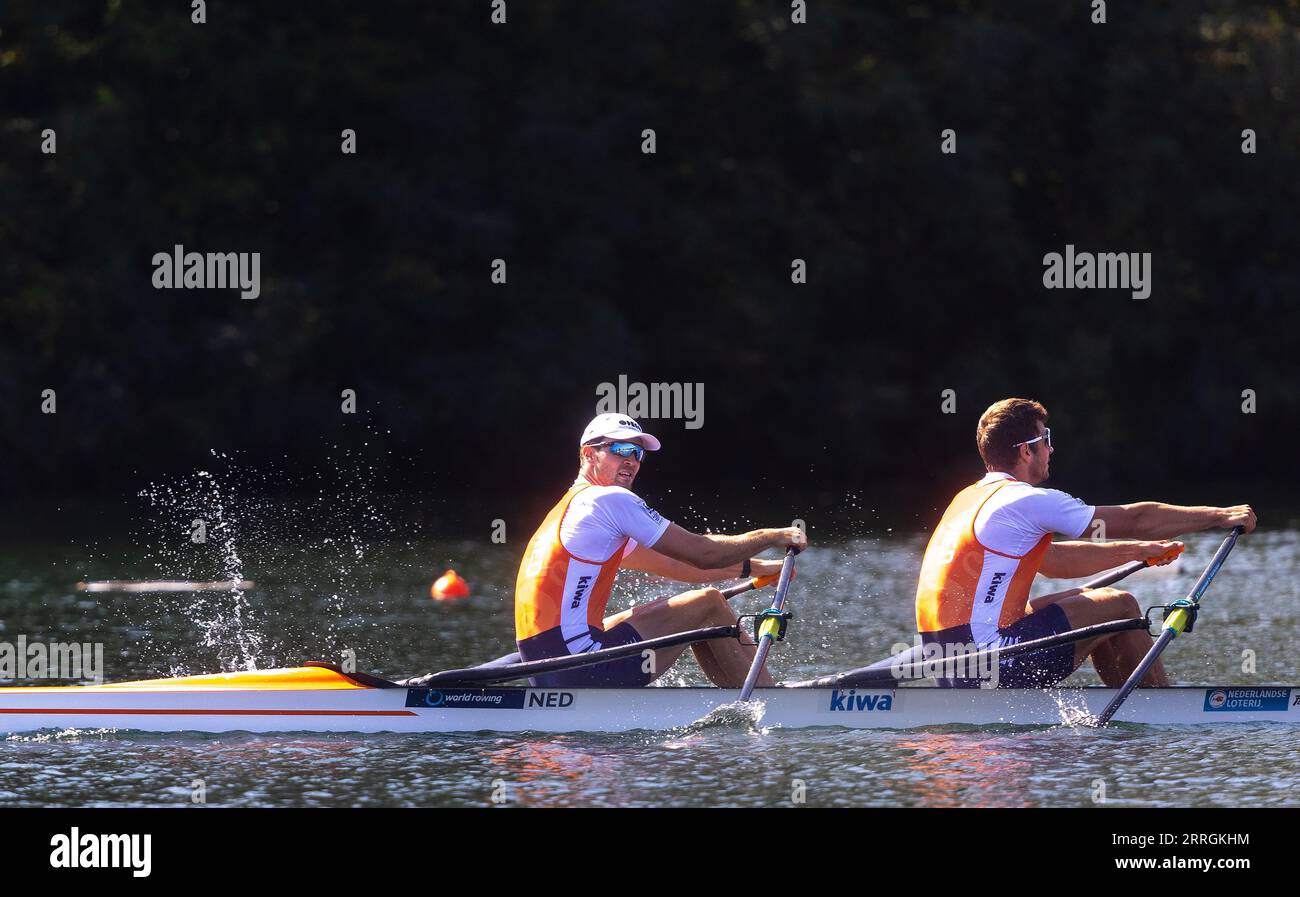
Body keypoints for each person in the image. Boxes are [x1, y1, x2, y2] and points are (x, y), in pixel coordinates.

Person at [914, 397, 1256, 688]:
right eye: (1044, 438)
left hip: (951, 663)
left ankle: (1135, 706)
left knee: (1088, 601)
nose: (1051, 448)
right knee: (1120, 604)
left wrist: (1137, 552)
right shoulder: (1025, 500)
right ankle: (1164, 709)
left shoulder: (967, 499)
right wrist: (1219, 516)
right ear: (1026, 452)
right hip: (990, 660)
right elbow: (1135, 519)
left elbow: (1053, 562)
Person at [514, 413, 807, 687]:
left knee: (667, 607)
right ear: (588, 454)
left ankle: (742, 690)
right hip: (577, 666)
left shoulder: (576, 508)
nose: (631, 461)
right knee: (709, 603)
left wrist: (755, 567)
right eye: (619, 450)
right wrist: (772, 535)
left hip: (547, 666)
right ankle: (770, 696)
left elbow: (680, 565)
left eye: (637, 453)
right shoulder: (609, 500)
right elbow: (703, 554)